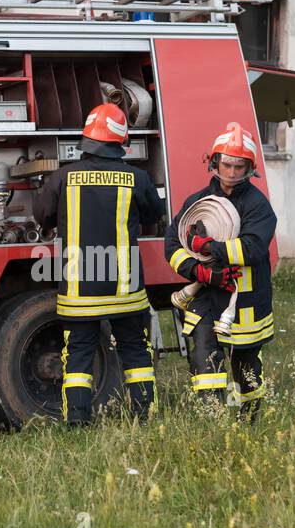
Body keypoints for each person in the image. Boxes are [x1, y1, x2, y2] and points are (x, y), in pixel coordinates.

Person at [33, 103, 164, 425]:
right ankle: (143, 417)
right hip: (125, 288)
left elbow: (42, 216)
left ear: (88, 139)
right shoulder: (137, 178)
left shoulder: (62, 177)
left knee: (78, 353)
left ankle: (78, 422)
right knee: (135, 350)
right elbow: (153, 216)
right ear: (121, 141)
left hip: (80, 287)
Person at [164, 122, 277, 422]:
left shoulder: (258, 206)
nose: (231, 172)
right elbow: (173, 245)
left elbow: (252, 248)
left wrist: (212, 246)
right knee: (204, 361)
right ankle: (211, 424)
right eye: (226, 164)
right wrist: (199, 273)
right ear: (214, 162)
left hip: (246, 303)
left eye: (239, 167)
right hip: (205, 298)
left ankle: (249, 420)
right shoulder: (197, 203)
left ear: (249, 169)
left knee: (246, 368)